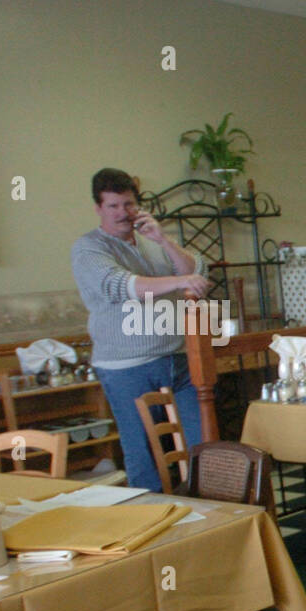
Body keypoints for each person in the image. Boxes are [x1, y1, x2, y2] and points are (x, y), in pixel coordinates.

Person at [71, 168, 211, 491]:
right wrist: (180, 282)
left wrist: (163, 240)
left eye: (129, 204)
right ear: (98, 208)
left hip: (177, 357)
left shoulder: (152, 240)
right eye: (114, 206)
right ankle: (152, 523)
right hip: (127, 366)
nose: (123, 213)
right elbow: (123, 286)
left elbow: (196, 270)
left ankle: (213, 513)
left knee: (202, 438)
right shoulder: (88, 248)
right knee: (145, 452)